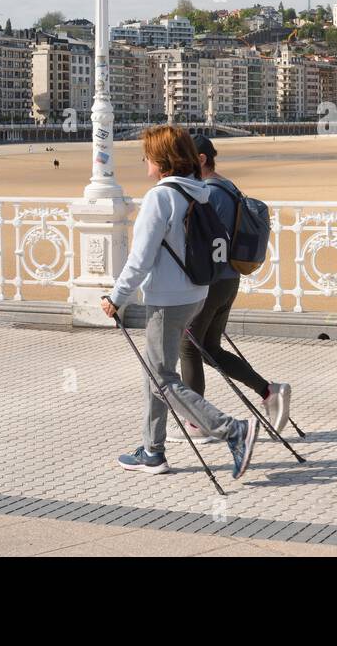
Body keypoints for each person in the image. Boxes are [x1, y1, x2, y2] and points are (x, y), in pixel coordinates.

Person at [102, 126, 258, 480]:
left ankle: (232, 430)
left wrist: (116, 298)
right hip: (196, 294)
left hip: (168, 300)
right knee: (156, 373)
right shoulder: (198, 191)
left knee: (162, 379)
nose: (145, 161)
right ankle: (153, 451)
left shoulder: (160, 198)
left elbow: (140, 259)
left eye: (147, 155)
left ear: (161, 160)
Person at [178, 135, 291, 442]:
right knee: (210, 349)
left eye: (186, 159)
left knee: (188, 345)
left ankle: (196, 422)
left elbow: (197, 241)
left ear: (201, 159)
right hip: (230, 280)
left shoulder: (208, 193)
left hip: (213, 283)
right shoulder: (228, 187)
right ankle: (269, 391)